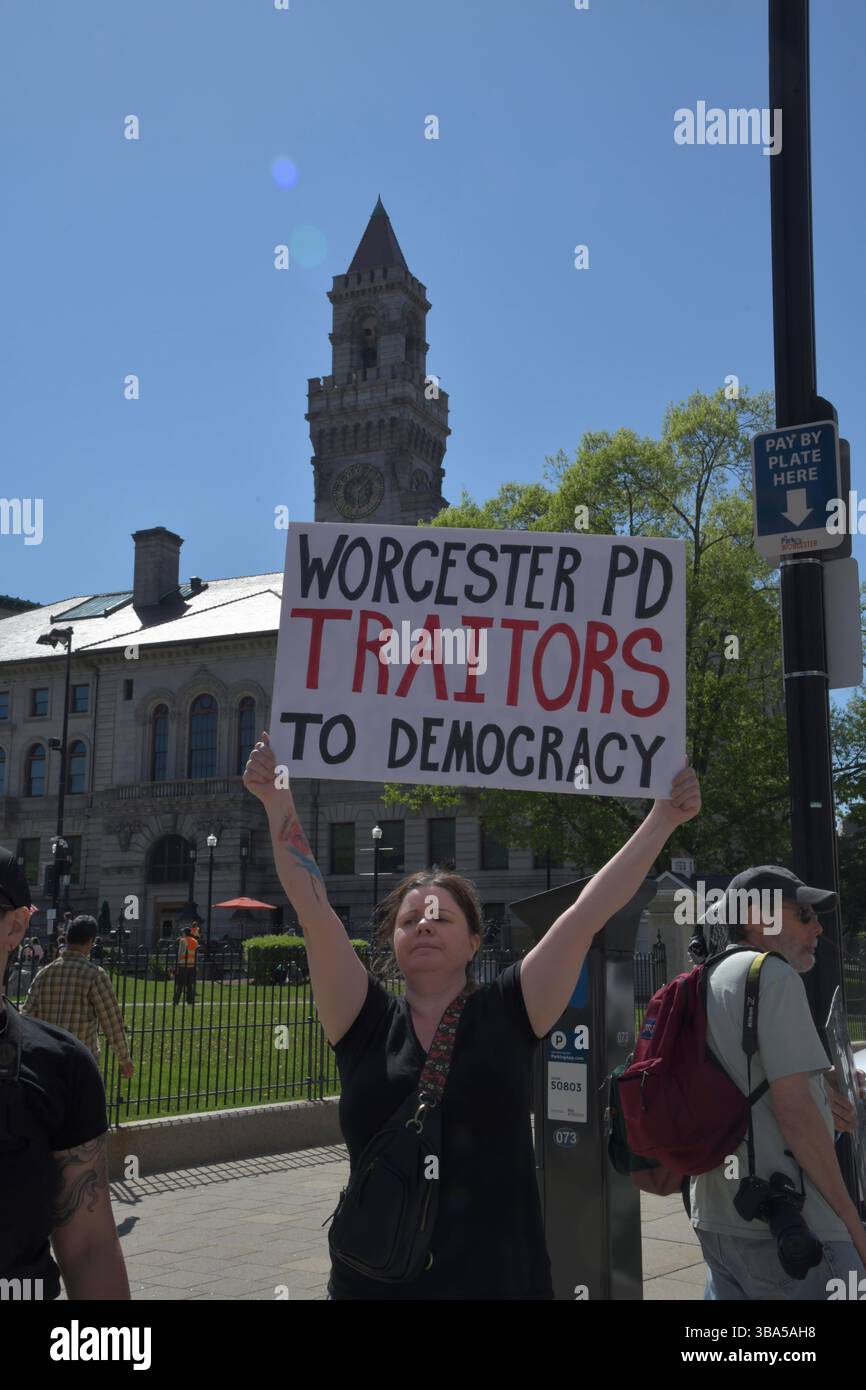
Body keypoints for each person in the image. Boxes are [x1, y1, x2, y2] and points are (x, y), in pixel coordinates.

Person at [244, 729, 701, 1300]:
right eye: (410, 920)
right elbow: (312, 907)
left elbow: (589, 913)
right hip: (375, 1283)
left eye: (441, 917)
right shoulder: (361, 1021)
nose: (425, 926)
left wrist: (662, 818)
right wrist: (276, 796)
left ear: (473, 943)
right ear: (392, 941)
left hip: (500, 1281)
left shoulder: (511, 1010)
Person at [691, 866, 866, 1300]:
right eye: (804, 914)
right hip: (794, 1225)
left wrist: (820, 1087)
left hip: (717, 1217)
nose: (818, 926)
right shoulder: (773, 976)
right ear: (756, 918)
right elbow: (796, 1117)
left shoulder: (706, 977)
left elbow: (745, 1078)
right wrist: (851, 1222)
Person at [0, 847, 130, 1299]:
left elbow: (89, 1247)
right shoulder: (93, 977)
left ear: (15, 926)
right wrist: (123, 1053)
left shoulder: (60, 1068)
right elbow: (111, 1017)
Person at [22, 914, 135, 1081]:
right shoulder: (94, 974)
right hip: (81, 1061)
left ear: (66, 939)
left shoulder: (44, 973)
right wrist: (124, 1059)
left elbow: (26, 1017)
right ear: (90, 942)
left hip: (47, 1060)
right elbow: (111, 1021)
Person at [173, 925, 199, 1005]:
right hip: (191, 965)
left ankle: (176, 1001)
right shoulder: (195, 941)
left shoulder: (183, 941)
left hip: (183, 965)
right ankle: (190, 1001)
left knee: (180, 984)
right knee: (189, 985)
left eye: (182, 932)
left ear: (184, 933)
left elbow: (180, 953)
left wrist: (176, 965)